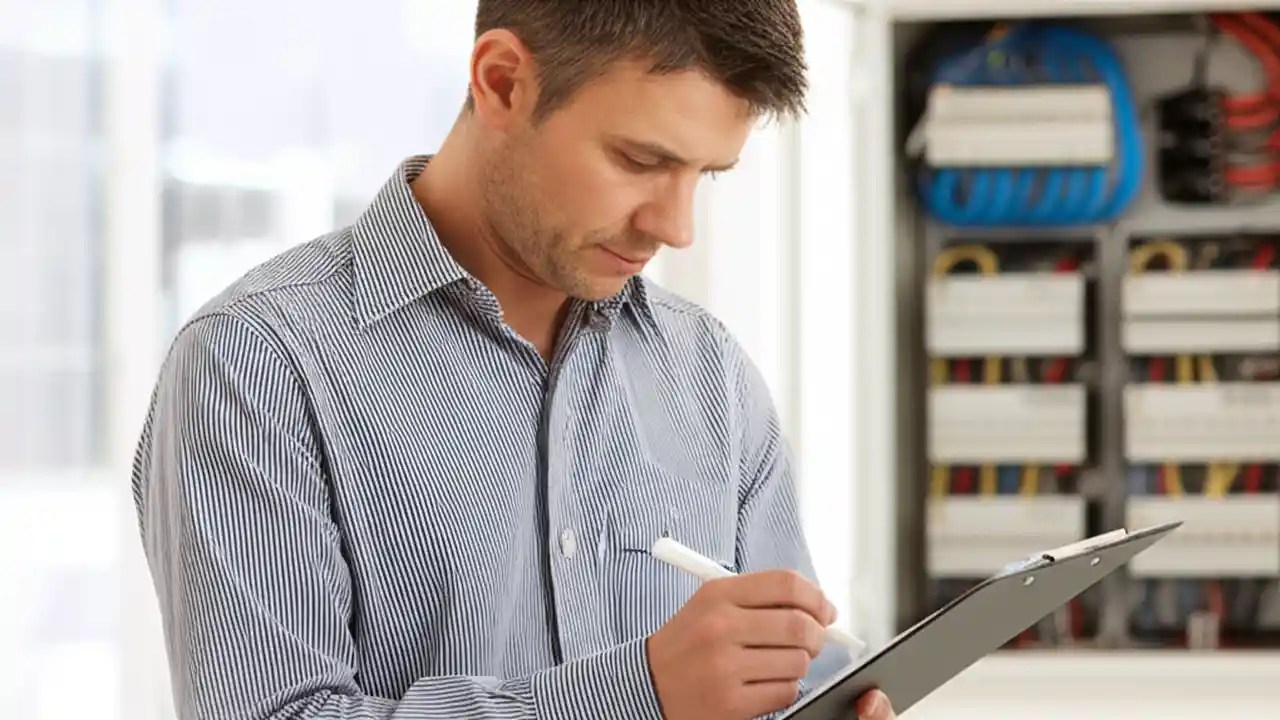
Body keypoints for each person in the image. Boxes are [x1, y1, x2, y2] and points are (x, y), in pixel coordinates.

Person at [131, 1, 897, 718]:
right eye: (640, 160)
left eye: (707, 176)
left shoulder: (711, 373)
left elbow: (795, 683)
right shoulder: (257, 364)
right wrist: (635, 693)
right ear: (501, 82)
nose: (675, 226)